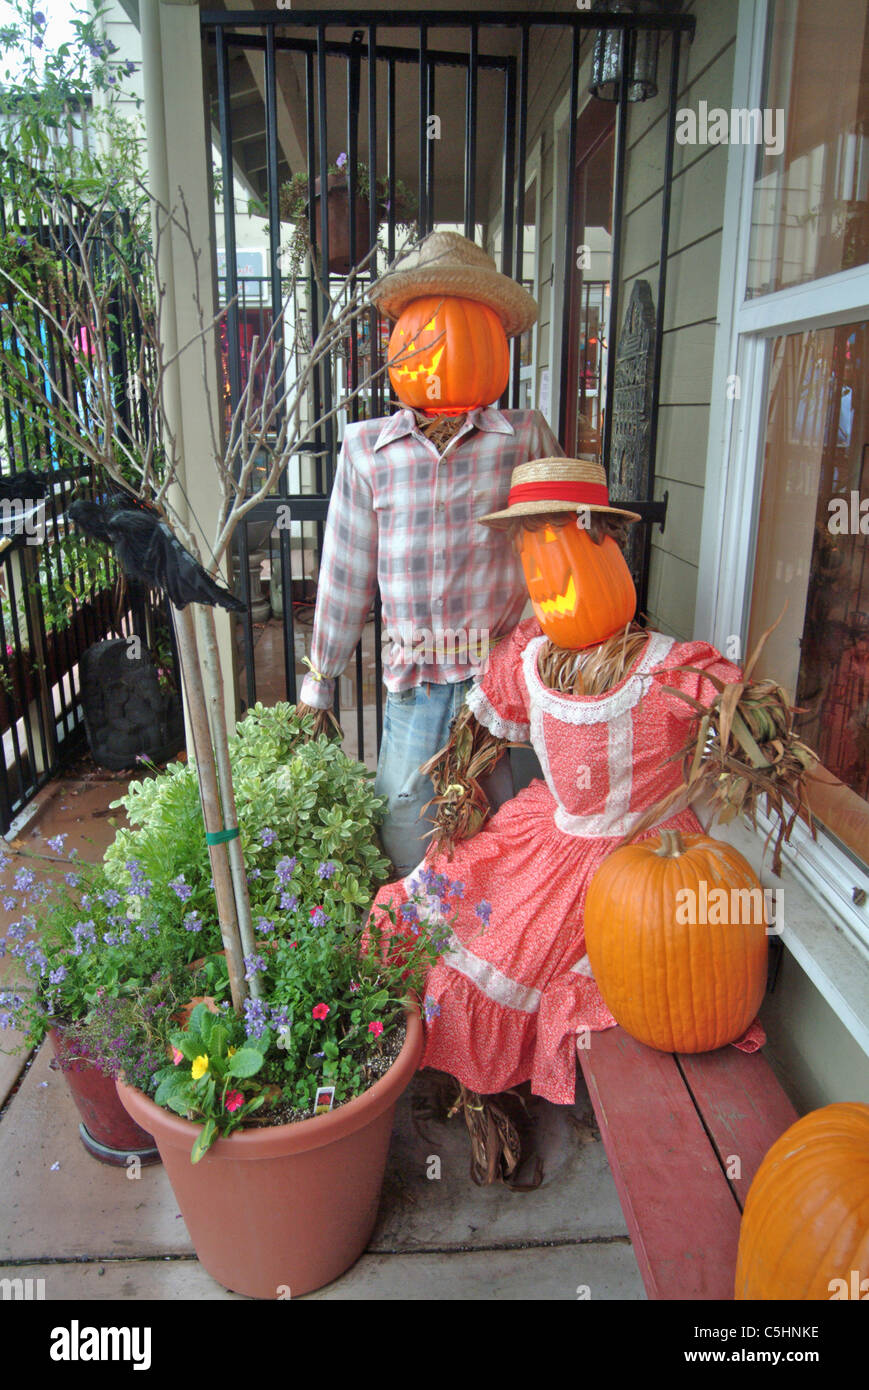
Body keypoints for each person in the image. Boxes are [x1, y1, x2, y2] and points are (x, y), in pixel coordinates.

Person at [369, 457, 772, 1120]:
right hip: (548, 831)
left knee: (525, 952)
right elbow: (479, 733)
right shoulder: (529, 655)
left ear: (601, 546)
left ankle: (496, 1094)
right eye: (530, 557)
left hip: (643, 853)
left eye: (555, 551)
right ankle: (467, 1092)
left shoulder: (668, 670)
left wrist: (761, 732)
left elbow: (744, 720)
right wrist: (463, 798)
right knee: (447, 909)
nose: (542, 580)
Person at [298, 231, 563, 876]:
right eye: (423, 332)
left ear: (494, 341)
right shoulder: (368, 450)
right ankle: (423, 951)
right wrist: (320, 678)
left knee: (503, 835)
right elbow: (346, 568)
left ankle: (486, 959)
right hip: (414, 680)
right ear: (400, 346)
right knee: (406, 828)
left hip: (499, 684)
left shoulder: (522, 440)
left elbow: (561, 552)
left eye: (465, 329)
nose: (440, 350)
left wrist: (568, 649)